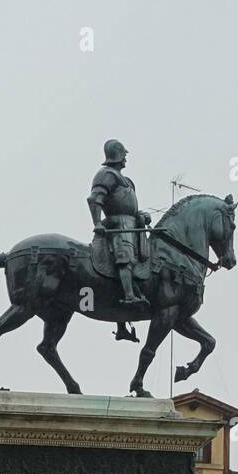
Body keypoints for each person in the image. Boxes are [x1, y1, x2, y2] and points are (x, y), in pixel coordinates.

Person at [87, 139, 152, 341]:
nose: (125, 158)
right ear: (117, 155)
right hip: (118, 226)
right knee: (125, 260)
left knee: (141, 261)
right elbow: (95, 198)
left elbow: (129, 207)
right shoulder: (107, 175)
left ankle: (122, 323)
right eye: (124, 154)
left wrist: (141, 215)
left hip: (133, 225)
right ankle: (128, 297)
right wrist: (97, 222)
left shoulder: (127, 181)